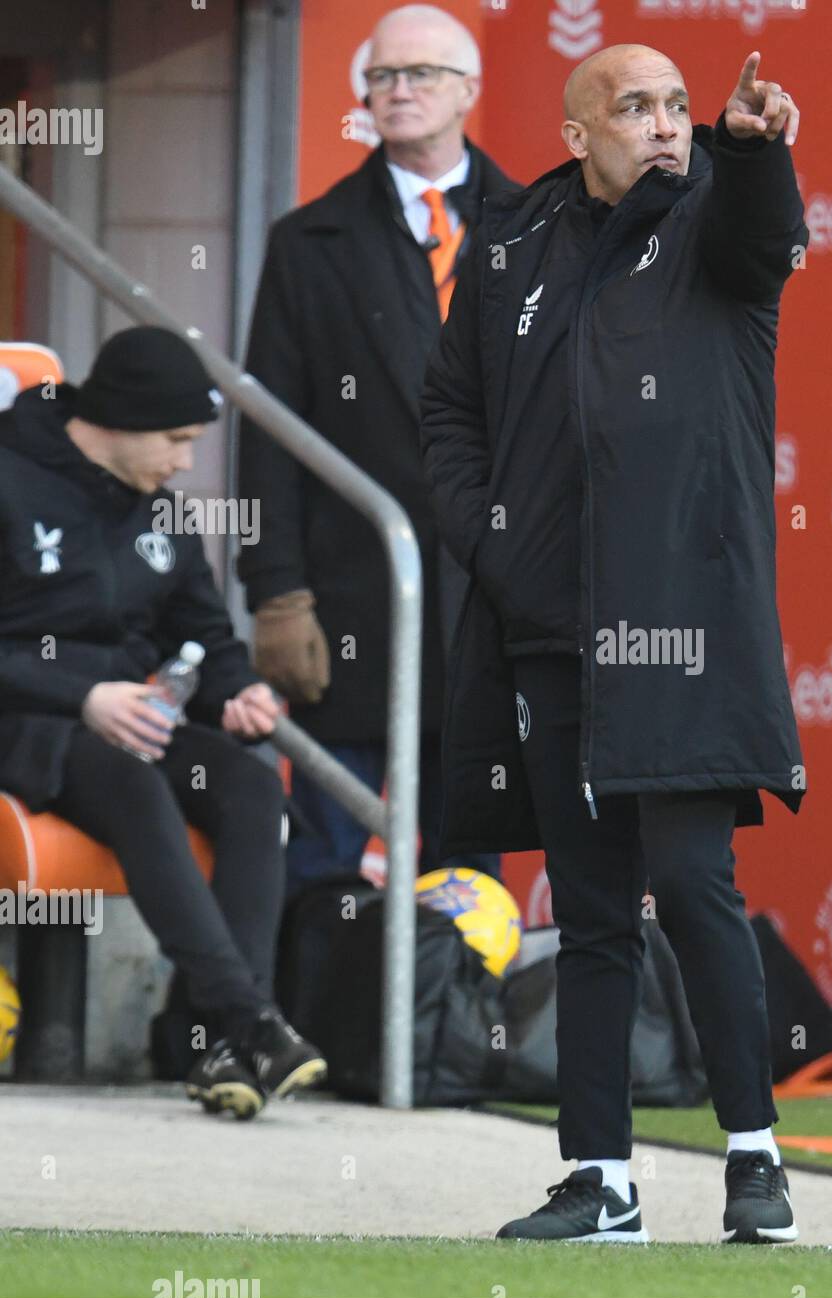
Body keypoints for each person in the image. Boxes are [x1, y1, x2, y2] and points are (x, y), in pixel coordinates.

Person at [422, 45, 808, 1243]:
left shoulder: (711, 222)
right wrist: (498, 550)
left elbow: (761, 233)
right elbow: (449, 413)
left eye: (678, 109)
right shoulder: (506, 244)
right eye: (635, 108)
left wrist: (754, 148)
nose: (663, 126)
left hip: (681, 624)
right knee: (587, 908)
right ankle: (601, 1178)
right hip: (548, 626)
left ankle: (753, 1158)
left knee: (694, 885)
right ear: (576, 128)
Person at [0, 325, 325, 1120]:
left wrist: (238, 688)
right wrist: (80, 696)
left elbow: (206, 636)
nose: (183, 460)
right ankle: (249, 1021)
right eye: (176, 440)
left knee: (251, 784)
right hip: (26, 721)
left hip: (130, 718)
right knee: (135, 785)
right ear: (117, 417)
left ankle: (209, 1039)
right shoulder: (8, 480)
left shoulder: (164, 514)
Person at [237, 3, 516, 893]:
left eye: (420, 74)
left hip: (492, 609)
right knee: (325, 859)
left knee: (469, 872)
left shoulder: (539, 230)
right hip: (351, 609)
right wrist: (277, 594)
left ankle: (460, 1038)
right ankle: (325, 1031)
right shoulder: (307, 243)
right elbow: (269, 432)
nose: (397, 92)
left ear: (468, 90)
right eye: (382, 77)